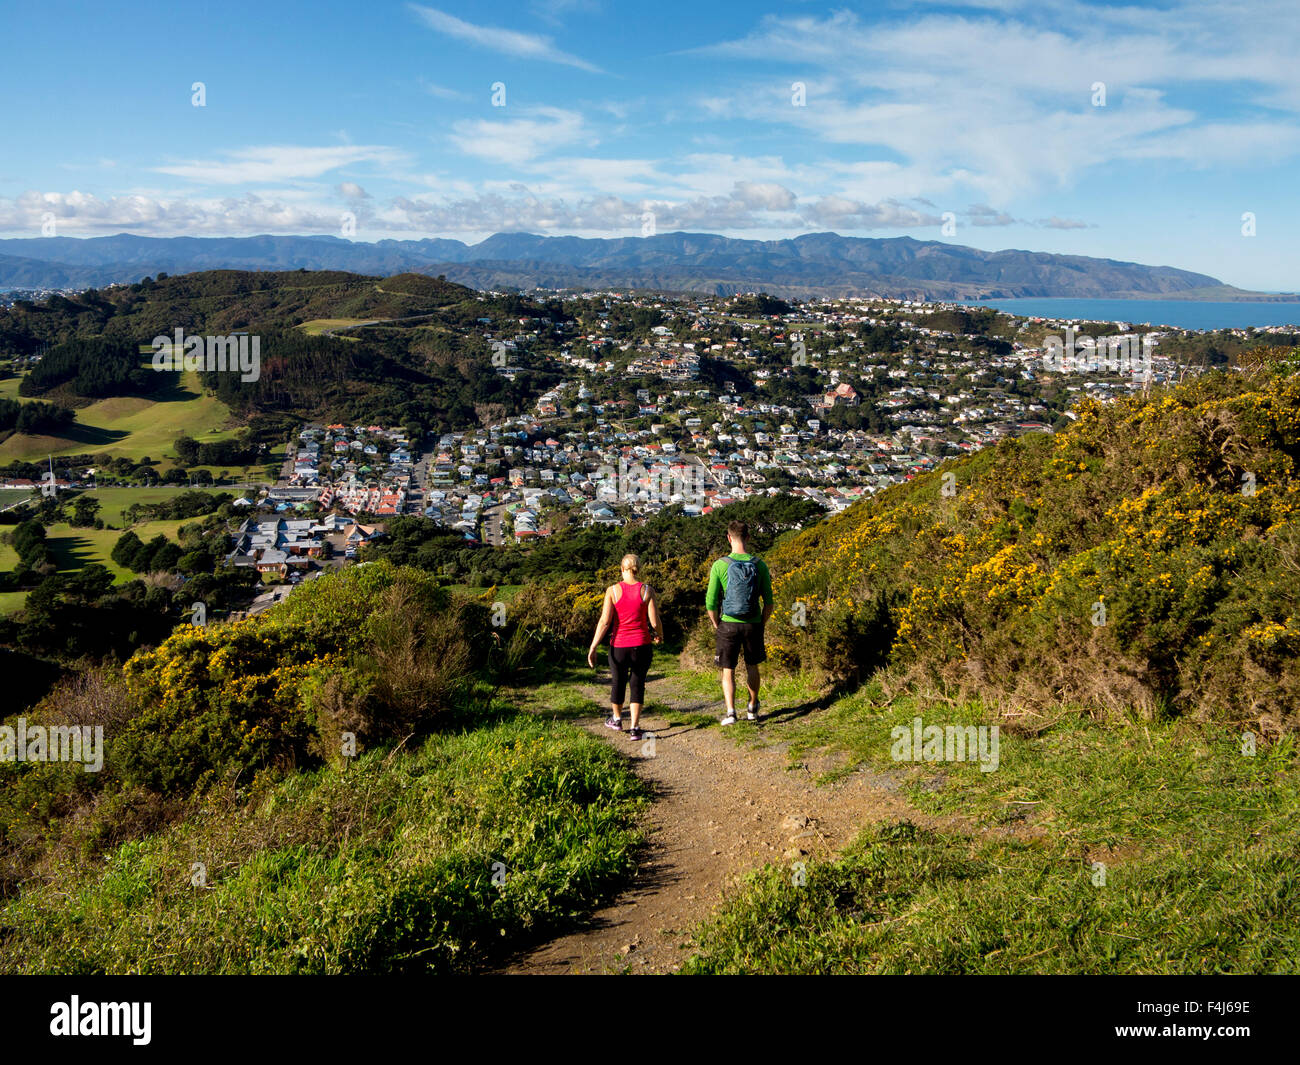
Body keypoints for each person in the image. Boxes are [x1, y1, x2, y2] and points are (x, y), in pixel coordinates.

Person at [705, 520, 773, 725]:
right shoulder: (760, 565)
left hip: (728, 623)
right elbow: (769, 602)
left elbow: (711, 601)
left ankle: (731, 713)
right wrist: (761, 622)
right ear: (748, 538)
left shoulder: (720, 565)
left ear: (728, 538)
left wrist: (716, 622)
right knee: (752, 666)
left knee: (728, 669)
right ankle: (752, 708)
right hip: (753, 623)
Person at [588, 553, 662, 741]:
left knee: (618, 682)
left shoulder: (612, 590)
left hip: (619, 646)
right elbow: (654, 622)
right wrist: (659, 635)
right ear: (639, 569)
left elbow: (605, 621)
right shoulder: (647, 590)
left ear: (622, 569)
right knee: (637, 684)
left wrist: (593, 646)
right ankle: (635, 728)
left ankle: (618, 719)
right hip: (642, 645)